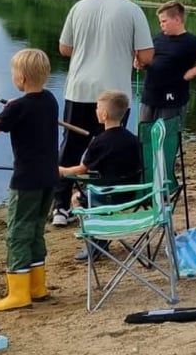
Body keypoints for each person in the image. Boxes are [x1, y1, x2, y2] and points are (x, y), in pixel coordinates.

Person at [53, 0, 154, 227]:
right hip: (114, 95)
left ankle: (60, 207)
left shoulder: (79, 6)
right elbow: (146, 56)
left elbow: (64, 48)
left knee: (70, 147)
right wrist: (133, 56)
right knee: (109, 149)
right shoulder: (133, 10)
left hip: (78, 90)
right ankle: (97, 203)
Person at [0, 49, 59, 311]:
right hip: (49, 178)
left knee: (17, 234)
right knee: (35, 231)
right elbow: (25, 110)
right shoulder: (50, 100)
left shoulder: (17, 108)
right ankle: (37, 287)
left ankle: (19, 294)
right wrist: (11, 109)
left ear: (21, 79)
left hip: (26, 182)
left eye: (14, 74)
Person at [58, 90, 142, 262]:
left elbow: (81, 170)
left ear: (104, 115)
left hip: (109, 196)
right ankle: (100, 240)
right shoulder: (133, 139)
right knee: (99, 188)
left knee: (77, 198)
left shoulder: (99, 142)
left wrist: (62, 171)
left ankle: (95, 243)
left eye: (97, 108)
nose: (95, 110)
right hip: (133, 194)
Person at [136, 0, 196, 123]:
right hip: (149, 98)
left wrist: (193, 71)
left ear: (177, 20)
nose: (161, 25)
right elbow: (150, 60)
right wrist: (141, 63)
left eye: (164, 21)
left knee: (168, 134)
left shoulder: (191, 42)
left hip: (172, 101)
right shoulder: (158, 38)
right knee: (144, 133)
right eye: (160, 22)